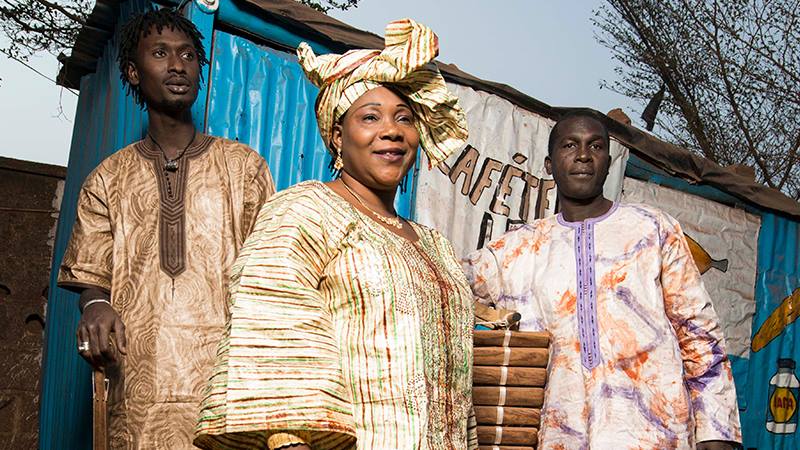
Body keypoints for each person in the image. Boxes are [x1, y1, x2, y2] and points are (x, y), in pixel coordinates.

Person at [194, 19, 476, 450]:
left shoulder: (434, 244)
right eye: (370, 117)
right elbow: (274, 345)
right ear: (338, 136)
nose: (392, 130)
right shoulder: (305, 211)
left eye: (404, 118)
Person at [58, 8, 274, 449]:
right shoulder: (106, 179)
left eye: (189, 55)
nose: (178, 65)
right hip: (137, 388)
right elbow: (92, 278)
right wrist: (94, 306)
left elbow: (272, 273)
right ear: (134, 73)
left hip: (228, 387)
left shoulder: (244, 167)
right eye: (161, 54)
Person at [462, 111, 742, 449]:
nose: (583, 155)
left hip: (655, 432)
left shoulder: (653, 229)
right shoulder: (515, 249)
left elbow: (699, 335)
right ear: (549, 165)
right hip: (559, 434)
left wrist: (716, 433)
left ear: (608, 163)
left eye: (595, 146)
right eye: (570, 145)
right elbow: (444, 281)